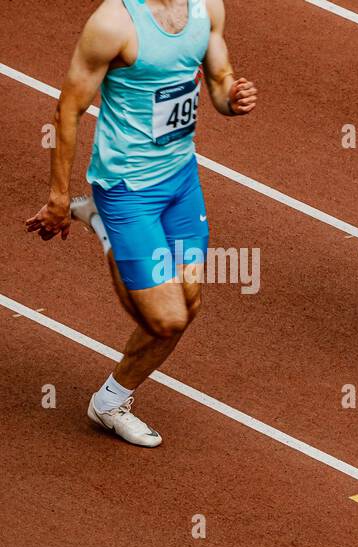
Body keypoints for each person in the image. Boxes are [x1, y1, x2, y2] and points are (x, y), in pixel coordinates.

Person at [26, 0, 256, 446]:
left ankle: (109, 401)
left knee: (188, 307)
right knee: (165, 319)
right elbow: (68, 111)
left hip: (182, 184)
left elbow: (219, 79)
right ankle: (100, 223)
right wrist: (58, 196)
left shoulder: (206, 7)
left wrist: (232, 97)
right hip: (127, 190)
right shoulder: (114, 23)